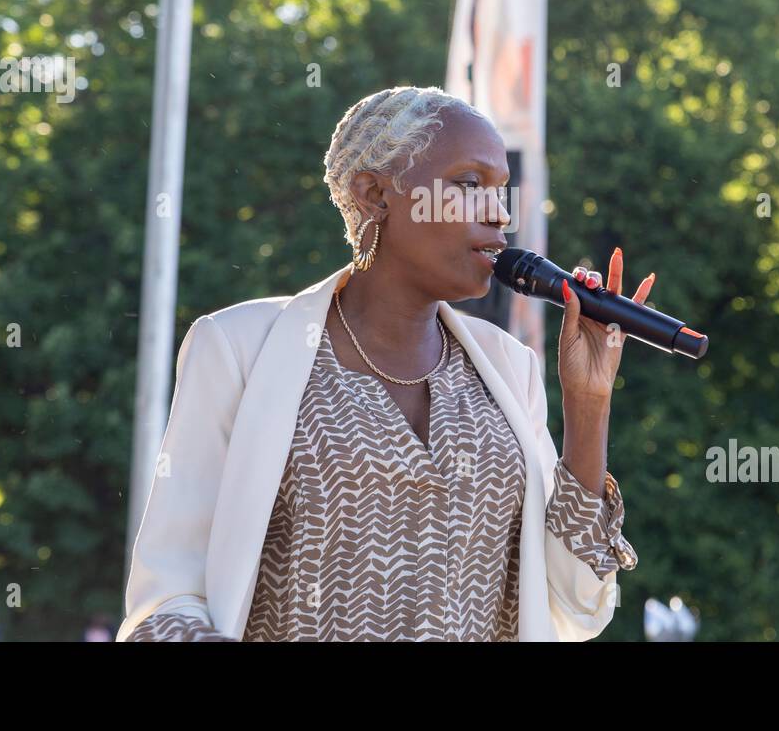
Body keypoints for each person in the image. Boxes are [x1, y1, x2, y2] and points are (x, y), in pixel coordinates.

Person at [118, 85, 652, 641]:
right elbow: (169, 599)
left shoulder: (509, 368)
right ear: (375, 194)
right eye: (469, 185)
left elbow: (577, 603)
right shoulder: (237, 349)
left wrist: (588, 404)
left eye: (502, 192)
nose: (499, 214)